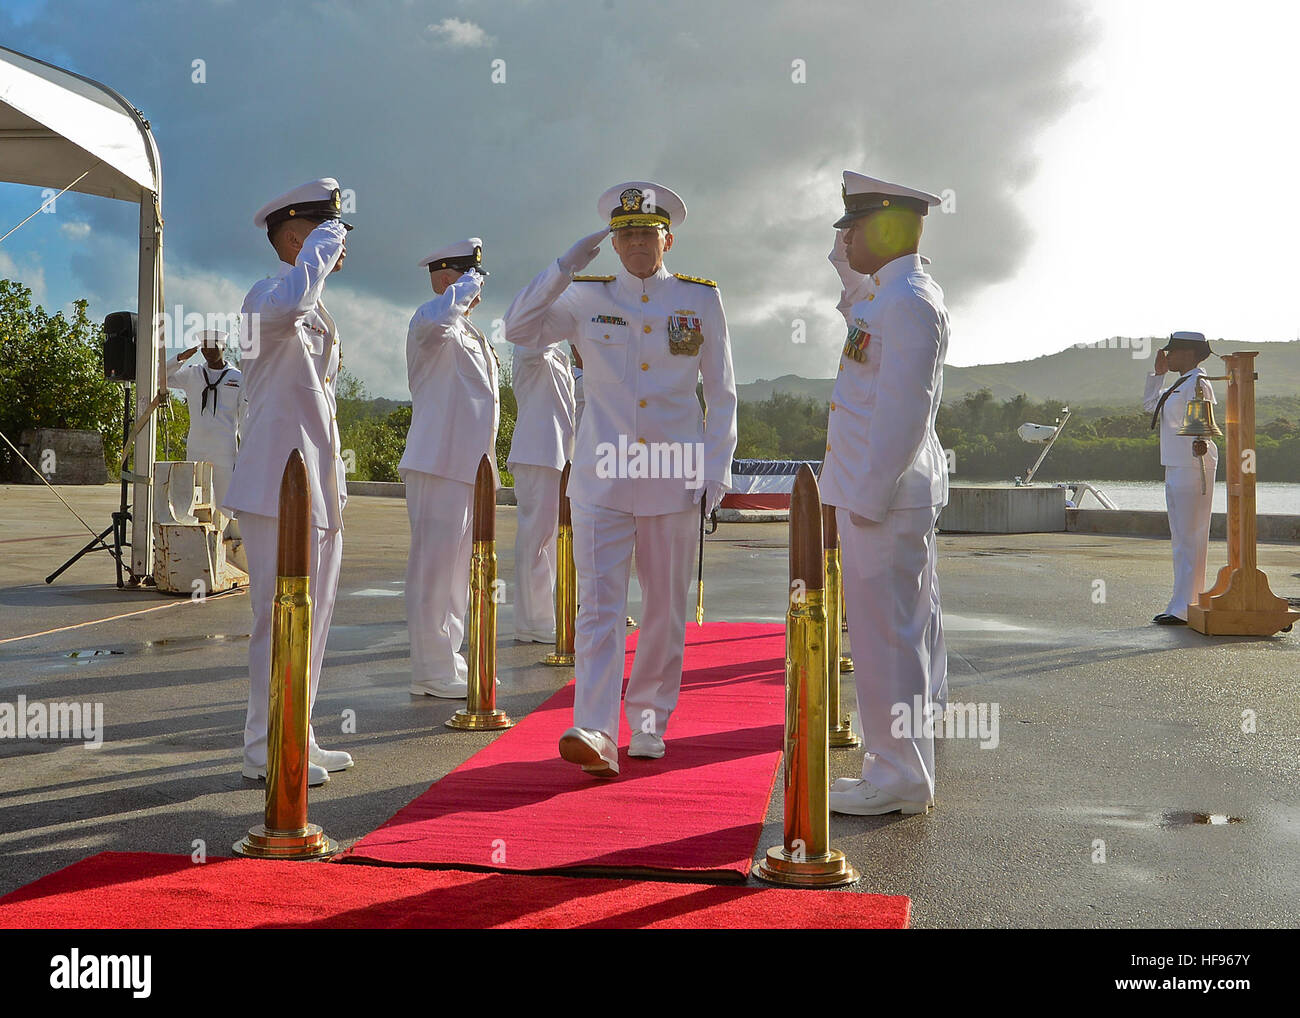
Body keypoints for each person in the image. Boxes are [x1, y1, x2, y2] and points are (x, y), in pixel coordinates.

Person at [504, 181, 737, 777]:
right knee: (598, 606)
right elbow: (519, 328)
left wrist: (716, 469)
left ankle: (650, 721)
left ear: (668, 239)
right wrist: (562, 267)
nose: (637, 241)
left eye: (647, 232)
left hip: (672, 476)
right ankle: (596, 726)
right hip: (602, 477)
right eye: (626, 233)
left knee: (664, 608)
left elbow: (723, 392)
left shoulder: (699, 300)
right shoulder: (584, 298)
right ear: (613, 242)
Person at [821, 170, 949, 816]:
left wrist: (866, 496)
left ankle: (900, 774)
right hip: (880, 491)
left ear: (887, 229)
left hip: (886, 494)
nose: (843, 239)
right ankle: (891, 761)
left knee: (887, 641)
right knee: (888, 636)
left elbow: (904, 413)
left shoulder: (908, 302)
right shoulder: (886, 295)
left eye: (853, 227)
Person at [223, 177, 354, 787]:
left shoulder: (312, 303)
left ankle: (295, 730)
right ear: (300, 236)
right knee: (277, 618)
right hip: (277, 485)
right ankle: (262, 743)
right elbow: (289, 305)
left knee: (315, 617)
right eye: (332, 233)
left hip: (315, 484)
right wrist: (319, 252)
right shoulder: (267, 296)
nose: (341, 246)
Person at [398, 238, 500, 697]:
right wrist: (458, 293)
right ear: (445, 278)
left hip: (469, 466)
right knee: (433, 568)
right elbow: (441, 319)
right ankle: (429, 667)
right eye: (468, 276)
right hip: (437, 461)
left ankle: (448, 659)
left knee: (458, 572)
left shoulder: (472, 333)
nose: (477, 288)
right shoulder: (429, 318)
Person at [1142, 332, 1219, 625]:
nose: (1167, 356)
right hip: (1175, 463)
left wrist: (1198, 455)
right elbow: (1151, 406)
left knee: (1191, 536)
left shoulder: (1198, 383)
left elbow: (1202, 428)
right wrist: (1158, 375)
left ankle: (1187, 605)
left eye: (1172, 352)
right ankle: (1181, 603)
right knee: (1181, 536)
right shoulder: (1180, 383)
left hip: (1193, 463)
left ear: (1188, 353)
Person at [506, 331, 575, 644]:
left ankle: (543, 616)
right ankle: (532, 621)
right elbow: (538, 344)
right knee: (535, 539)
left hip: (557, 455)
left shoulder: (560, 357)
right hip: (536, 454)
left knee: (548, 543)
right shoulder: (528, 346)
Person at [163, 329, 243, 533]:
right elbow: (157, 377)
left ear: (223, 347)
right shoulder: (193, 373)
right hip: (197, 448)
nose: (207, 351)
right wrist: (179, 358)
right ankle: (200, 543)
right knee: (195, 501)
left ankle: (225, 548)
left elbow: (245, 418)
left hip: (224, 450)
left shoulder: (238, 378)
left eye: (212, 346)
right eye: (204, 347)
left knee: (225, 504)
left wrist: (247, 452)